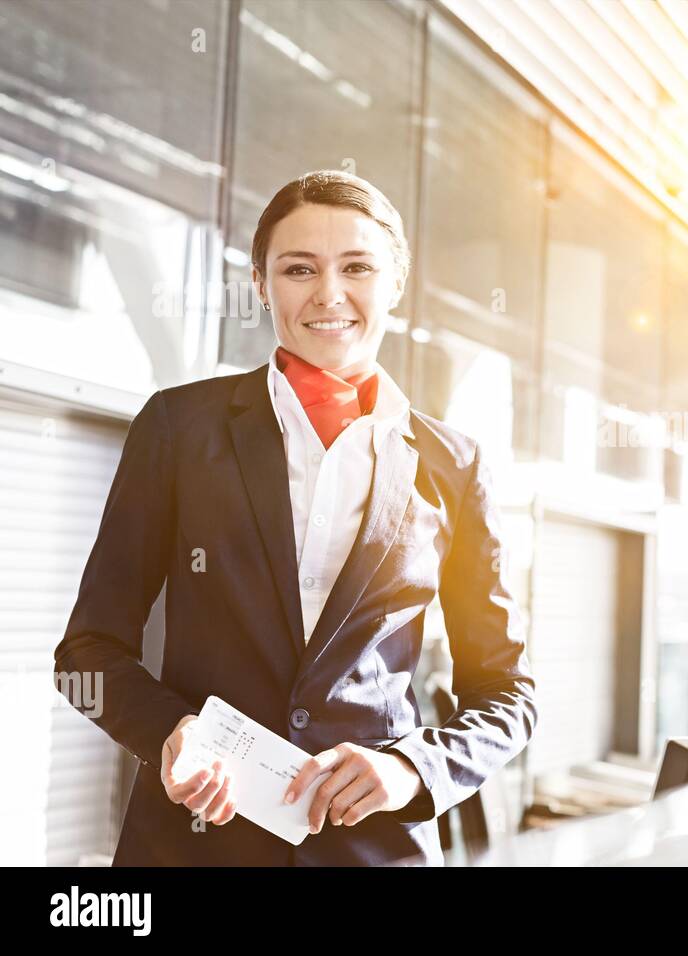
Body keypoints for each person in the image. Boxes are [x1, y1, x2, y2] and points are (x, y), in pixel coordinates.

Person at [53, 169, 537, 865]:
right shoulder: (178, 428)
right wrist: (169, 730)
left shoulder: (453, 465)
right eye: (298, 268)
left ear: (395, 283)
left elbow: (507, 693)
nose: (329, 294)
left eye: (358, 267)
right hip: (195, 844)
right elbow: (86, 653)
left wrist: (412, 769)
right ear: (260, 283)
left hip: (372, 849)